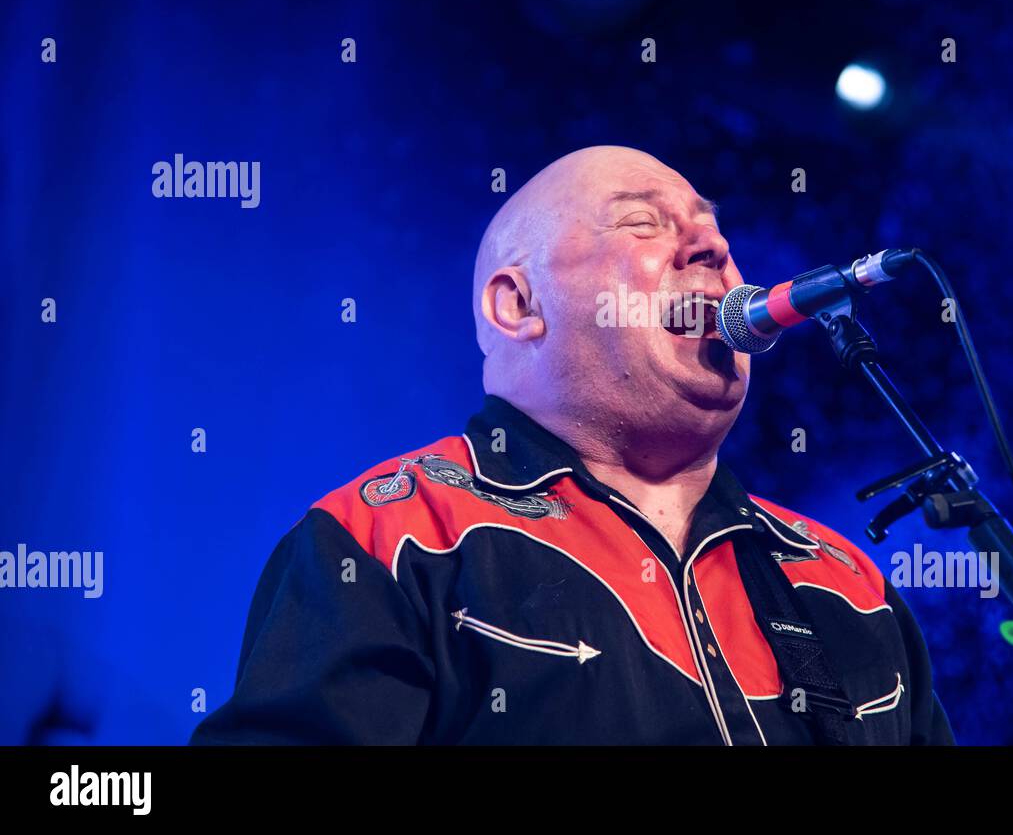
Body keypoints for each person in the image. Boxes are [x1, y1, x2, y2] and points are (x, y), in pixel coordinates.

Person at [190, 145, 954, 745]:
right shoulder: (392, 537)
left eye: (711, 227)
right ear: (518, 305)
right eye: (644, 223)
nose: (712, 247)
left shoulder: (844, 578)